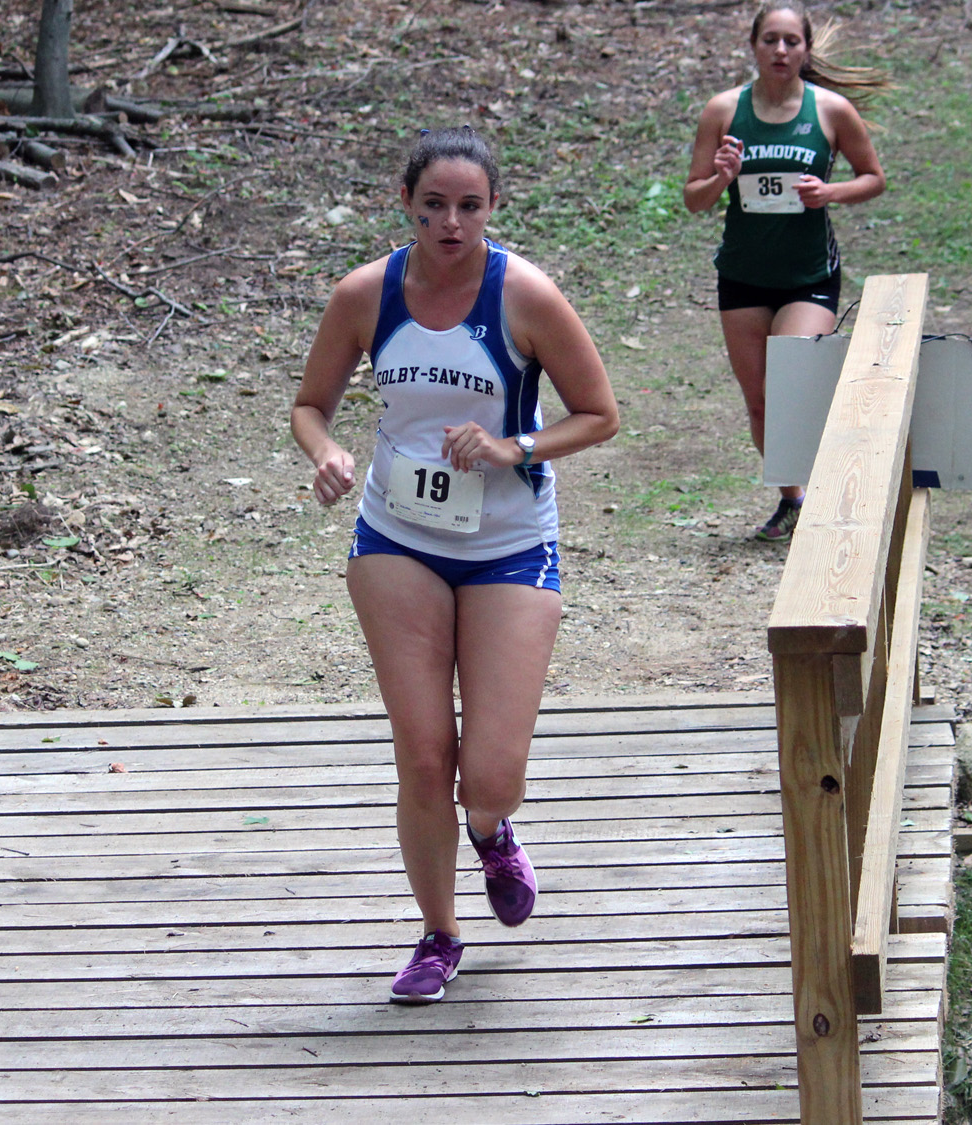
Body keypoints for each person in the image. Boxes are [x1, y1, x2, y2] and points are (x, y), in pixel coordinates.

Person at [290, 126, 619, 1004]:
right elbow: (310, 404)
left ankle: (494, 830)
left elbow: (599, 413)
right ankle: (439, 933)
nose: (449, 222)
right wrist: (324, 452)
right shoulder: (367, 294)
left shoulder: (526, 296)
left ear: (491, 210)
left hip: (510, 541)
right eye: (433, 204)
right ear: (407, 204)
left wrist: (518, 445)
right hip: (397, 536)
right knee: (425, 754)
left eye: (468, 206)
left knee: (492, 772)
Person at [684, 4, 889, 541]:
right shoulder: (723, 111)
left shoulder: (832, 111)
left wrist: (830, 193)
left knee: (794, 384)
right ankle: (792, 498)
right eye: (770, 40)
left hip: (808, 277)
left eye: (791, 41)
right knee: (760, 400)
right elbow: (694, 199)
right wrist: (721, 175)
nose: (780, 50)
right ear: (753, 46)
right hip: (744, 277)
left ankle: (831, 495)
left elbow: (873, 178)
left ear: (805, 49)